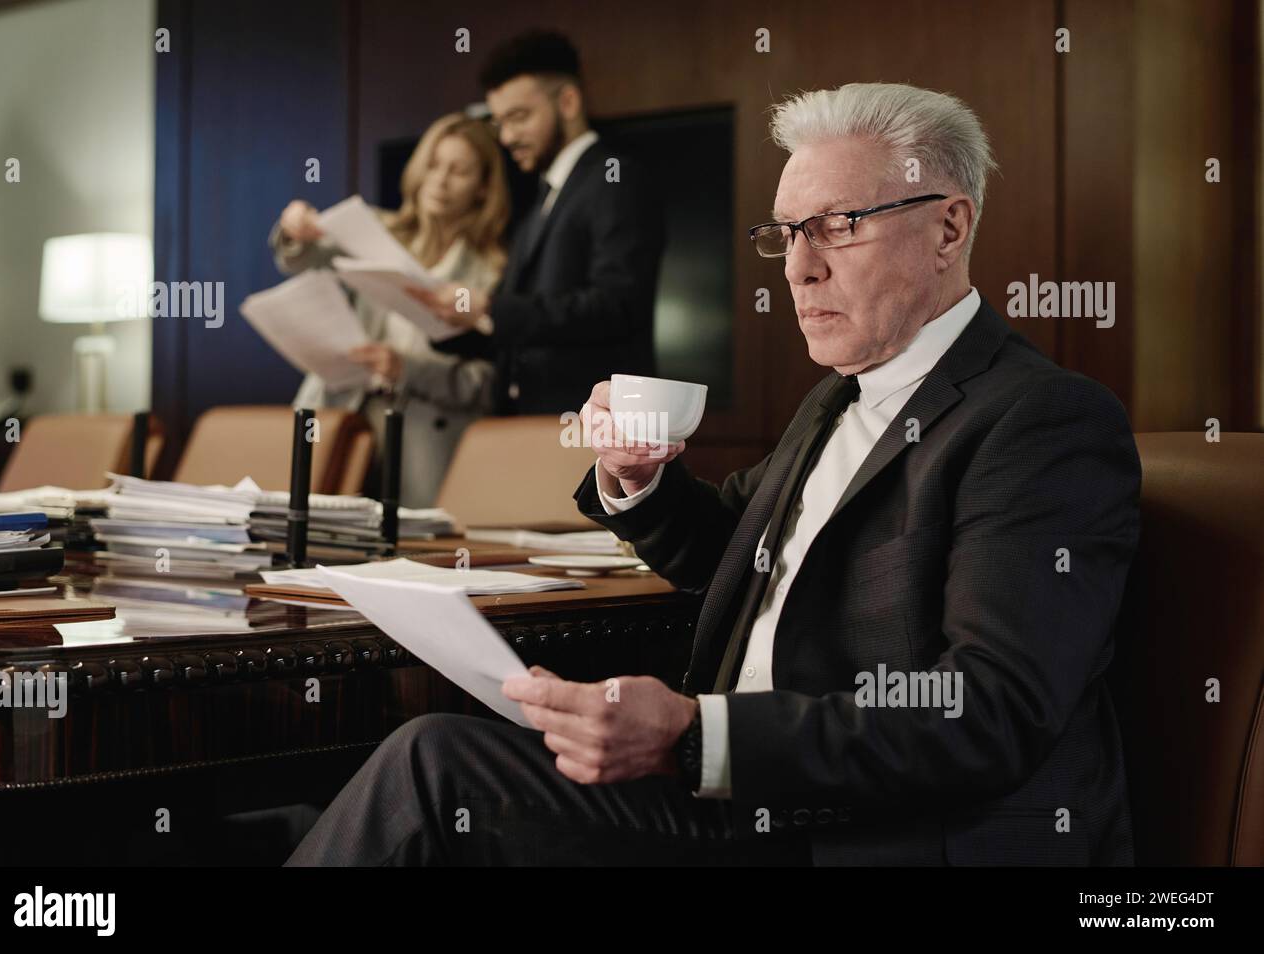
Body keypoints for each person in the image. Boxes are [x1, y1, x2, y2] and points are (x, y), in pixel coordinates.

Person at [286, 82, 1141, 866]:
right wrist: (639, 477)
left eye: (840, 225)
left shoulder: (1042, 420)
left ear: (949, 228)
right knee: (438, 757)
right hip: (741, 803)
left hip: (866, 833)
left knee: (436, 771)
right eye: (786, 234)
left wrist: (701, 735)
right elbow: (731, 549)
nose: (800, 268)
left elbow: (989, 711)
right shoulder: (838, 399)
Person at [403, 31, 664, 416]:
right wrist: (445, 322)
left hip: (594, 428)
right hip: (533, 424)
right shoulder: (540, 201)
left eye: (519, 117)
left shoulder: (615, 178)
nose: (507, 137)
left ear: (568, 102)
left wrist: (489, 308)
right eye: (499, 123)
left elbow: (617, 305)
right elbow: (520, 331)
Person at [270, 112, 509, 507]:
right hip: (344, 413)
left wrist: (406, 369)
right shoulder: (378, 228)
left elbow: (486, 384)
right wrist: (295, 229)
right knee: (307, 535)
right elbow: (298, 257)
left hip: (423, 440)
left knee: (407, 552)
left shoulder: (493, 268)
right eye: (433, 164)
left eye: (459, 171)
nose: (440, 180)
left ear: (484, 187)